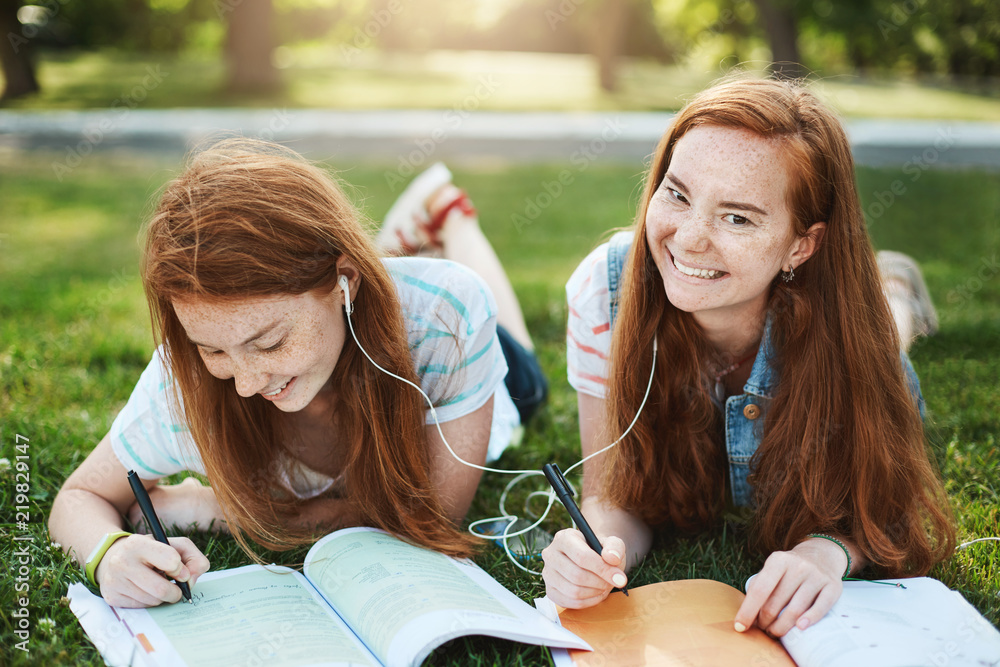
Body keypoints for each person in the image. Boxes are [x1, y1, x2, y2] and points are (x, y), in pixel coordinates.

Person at [49, 140, 546, 608]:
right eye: (213, 349)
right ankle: (397, 243)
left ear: (344, 281)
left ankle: (451, 217)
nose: (245, 384)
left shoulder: (448, 315)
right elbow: (79, 496)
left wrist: (221, 509)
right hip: (356, 304)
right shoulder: (183, 385)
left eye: (269, 342)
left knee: (527, 372)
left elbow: (429, 516)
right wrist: (109, 553)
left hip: (483, 370)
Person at [540, 77, 955, 637]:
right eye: (678, 194)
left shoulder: (852, 337)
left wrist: (825, 552)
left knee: (888, 332)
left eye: (737, 217)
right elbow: (612, 494)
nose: (688, 239)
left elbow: (886, 507)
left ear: (800, 245)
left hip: (850, 327)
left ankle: (895, 289)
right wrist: (599, 549)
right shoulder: (605, 291)